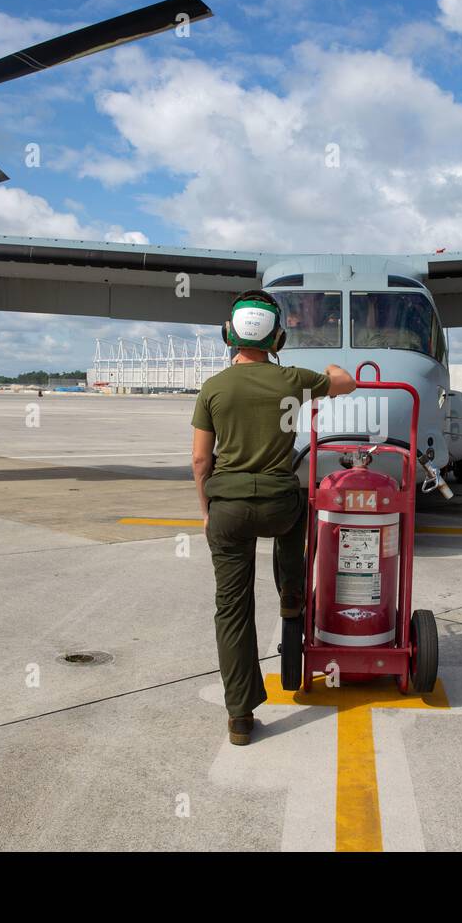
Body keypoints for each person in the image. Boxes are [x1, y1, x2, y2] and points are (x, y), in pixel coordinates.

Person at [191, 290, 356, 746]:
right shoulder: (292, 379)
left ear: (229, 335)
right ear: (277, 336)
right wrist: (327, 372)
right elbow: (345, 383)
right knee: (294, 511)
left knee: (232, 608)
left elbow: (202, 462)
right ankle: (291, 593)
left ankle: (240, 716)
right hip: (278, 502)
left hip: (228, 506)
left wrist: (206, 511)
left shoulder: (213, 388)